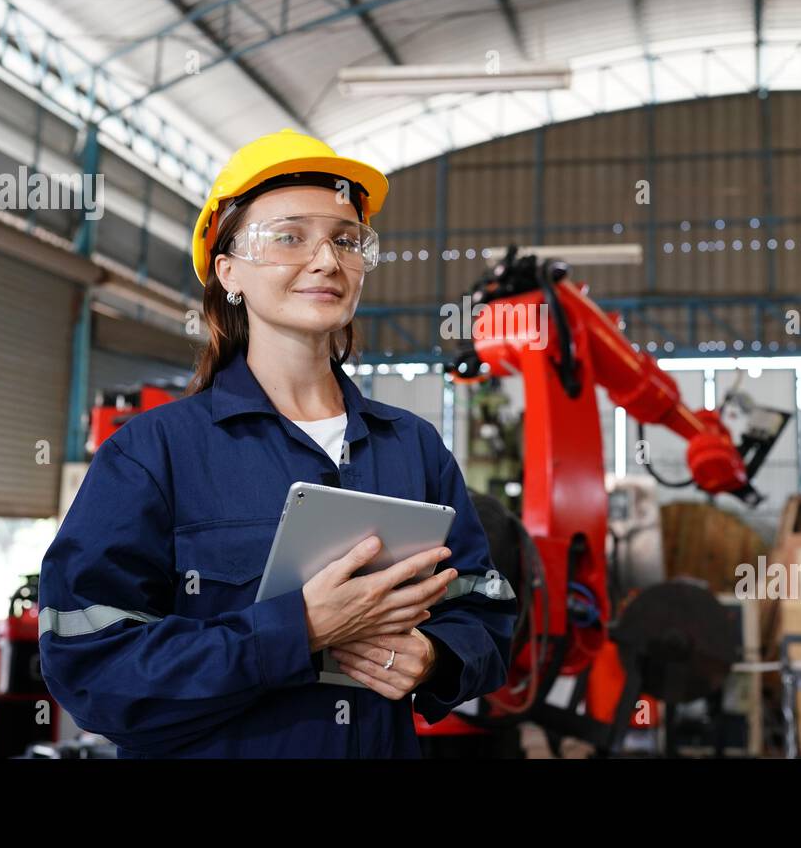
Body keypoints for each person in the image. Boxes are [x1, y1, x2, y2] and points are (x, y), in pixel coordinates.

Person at [38, 129, 517, 757]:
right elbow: (92, 668)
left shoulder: (413, 447)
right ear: (227, 268)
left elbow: (485, 607)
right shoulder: (154, 452)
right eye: (289, 236)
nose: (326, 261)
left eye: (346, 241)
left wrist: (433, 658)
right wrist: (298, 629)